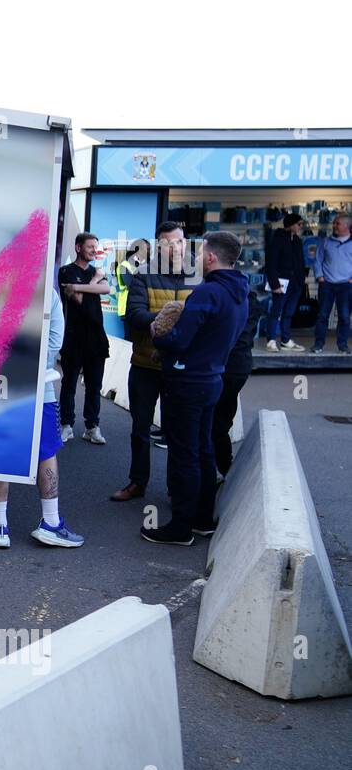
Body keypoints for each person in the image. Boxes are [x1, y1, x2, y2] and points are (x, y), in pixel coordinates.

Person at [141, 231, 249, 545]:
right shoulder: (240, 292)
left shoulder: (207, 293)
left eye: (201, 253)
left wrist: (158, 336)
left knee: (184, 454)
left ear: (212, 257)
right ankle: (202, 518)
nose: (198, 259)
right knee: (203, 450)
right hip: (213, 379)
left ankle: (181, 527)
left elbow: (180, 339)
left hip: (188, 382)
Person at [0, 283, 84, 548]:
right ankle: (50, 522)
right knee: (46, 451)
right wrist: (34, 366)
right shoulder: (47, 291)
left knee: (2, 448)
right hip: (39, 384)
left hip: (0, 382)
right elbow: (55, 340)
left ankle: (0, 526)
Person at [111, 221, 193, 502]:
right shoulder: (144, 275)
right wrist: (165, 320)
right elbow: (134, 315)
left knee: (177, 432)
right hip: (145, 365)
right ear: (159, 246)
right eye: (169, 243)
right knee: (140, 429)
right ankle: (137, 482)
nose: (176, 248)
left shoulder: (196, 277)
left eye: (180, 241)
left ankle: (175, 489)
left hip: (179, 368)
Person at [57, 232, 110, 445]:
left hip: (96, 338)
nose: (94, 251)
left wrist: (85, 283)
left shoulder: (96, 272)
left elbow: (106, 288)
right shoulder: (65, 271)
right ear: (78, 247)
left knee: (94, 386)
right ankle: (66, 425)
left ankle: (92, 427)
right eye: (90, 247)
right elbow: (77, 299)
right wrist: (94, 282)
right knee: (69, 383)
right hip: (73, 337)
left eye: (95, 247)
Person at [212, 285, 265, 476]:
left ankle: (222, 471)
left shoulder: (220, 296)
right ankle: (226, 471)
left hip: (225, 366)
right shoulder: (248, 299)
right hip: (238, 366)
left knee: (214, 423)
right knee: (221, 421)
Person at [263, 213, 307, 352]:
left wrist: (301, 281)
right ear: (291, 224)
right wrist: (274, 284)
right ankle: (271, 340)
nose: (301, 227)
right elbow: (271, 264)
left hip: (296, 284)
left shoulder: (298, 241)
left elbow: (300, 263)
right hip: (281, 283)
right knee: (276, 312)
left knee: (289, 312)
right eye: (299, 224)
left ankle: (285, 340)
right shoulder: (277, 239)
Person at [312, 211, 352, 354]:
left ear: (347, 226)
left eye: (337, 223)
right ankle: (318, 344)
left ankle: (342, 345)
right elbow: (317, 260)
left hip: (346, 286)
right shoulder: (326, 242)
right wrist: (320, 277)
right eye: (334, 223)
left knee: (344, 317)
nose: (334, 225)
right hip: (327, 284)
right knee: (322, 315)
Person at [113, 238, 150, 318]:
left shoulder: (147, 266)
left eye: (149, 249)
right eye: (145, 249)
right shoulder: (124, 265)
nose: (148, 251)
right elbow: (132, 285)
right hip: (129, 308)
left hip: (145, 308)